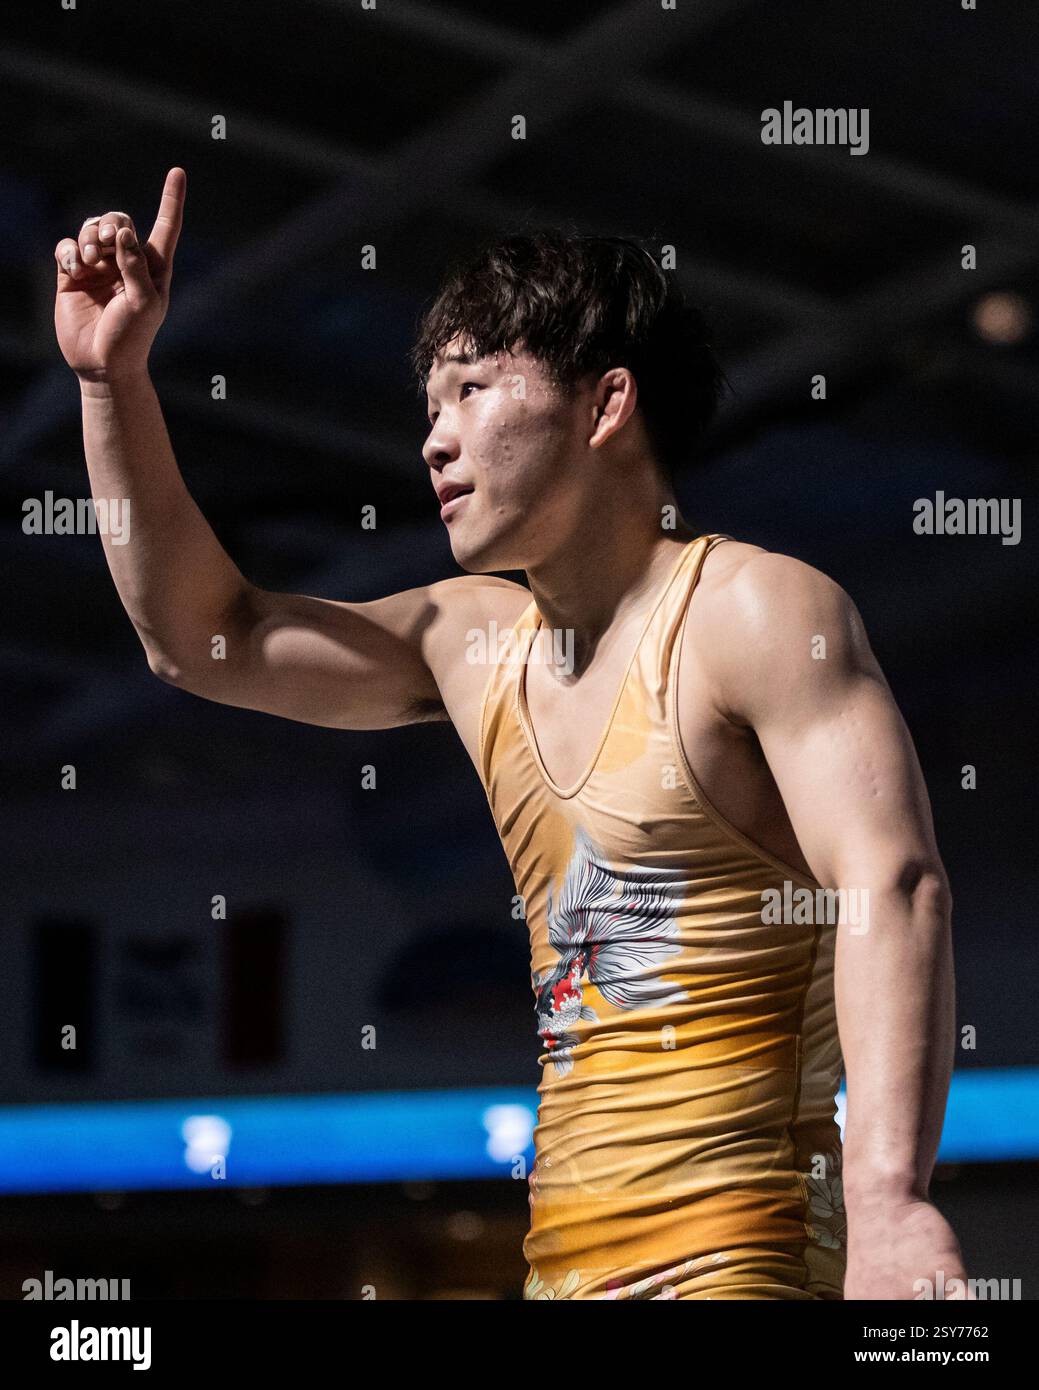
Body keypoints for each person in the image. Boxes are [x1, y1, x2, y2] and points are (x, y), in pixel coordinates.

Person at [54, 167, 970, 1300]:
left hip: (750, 1261)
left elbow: (895, 882)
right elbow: (204, 641)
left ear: (605, 404)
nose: (435, 442)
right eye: (429, 409)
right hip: (558, 1271)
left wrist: (891, 1199)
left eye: (473, 390)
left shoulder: (757, 611)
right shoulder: (469, 640)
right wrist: (112, 382)